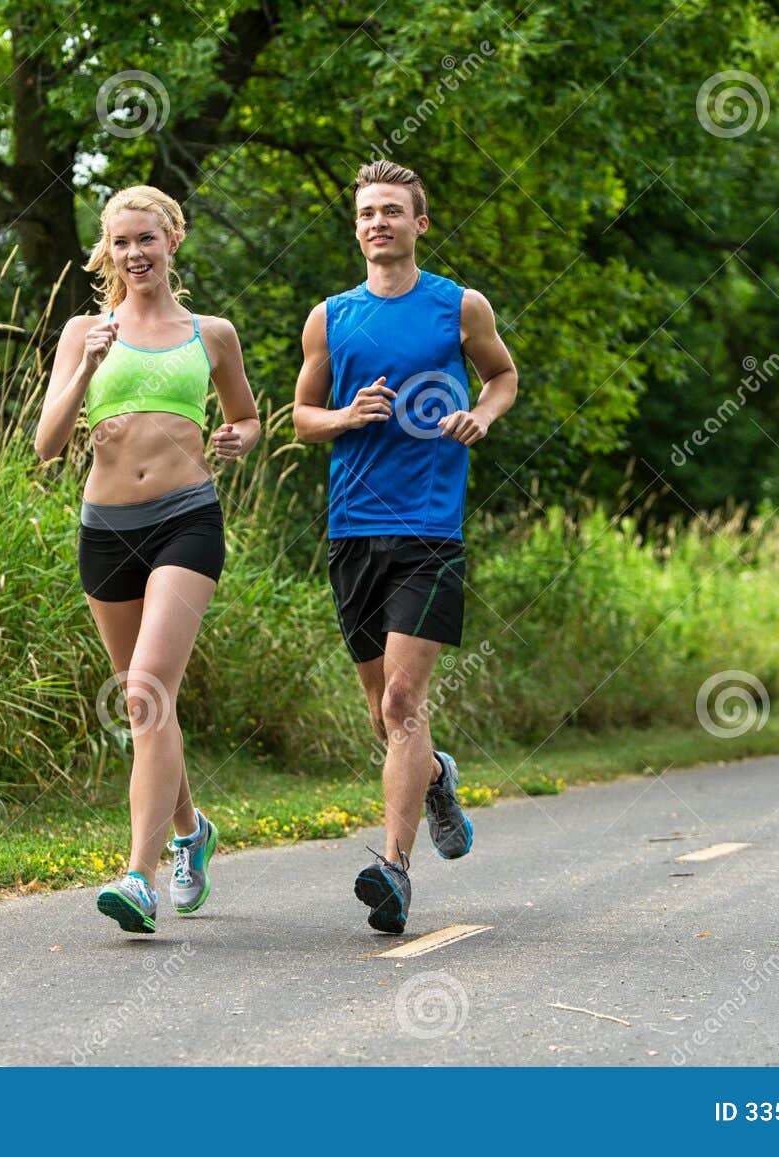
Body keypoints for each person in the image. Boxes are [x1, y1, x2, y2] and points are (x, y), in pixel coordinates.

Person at [291, 160, 519, 934]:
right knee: (382, 720)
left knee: (401, 700)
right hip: (353, 528)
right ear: (356, 228)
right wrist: (345, 415)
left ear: (420, 223)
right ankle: (436, 778)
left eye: (392, 210)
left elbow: (503, 376)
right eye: (366, 213)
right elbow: (299, 417)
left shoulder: (459, 307)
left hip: (431, 528)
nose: (378, 222)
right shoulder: (331, 317)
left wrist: (483, 417)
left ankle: (394, 868)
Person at [35, 186, 260, 934]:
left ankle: (139, 876)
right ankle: (192, 830)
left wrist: (237, 439)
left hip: (185, 520)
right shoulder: (84, 331)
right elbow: (47, 443)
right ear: (108, 250)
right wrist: (82, 366)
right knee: (144, 705)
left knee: (145, 690)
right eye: (123, 241)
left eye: (149, 239)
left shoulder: (211, 333)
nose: (136, 254)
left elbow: (246, 418)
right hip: (106, 526)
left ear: (173, 241)